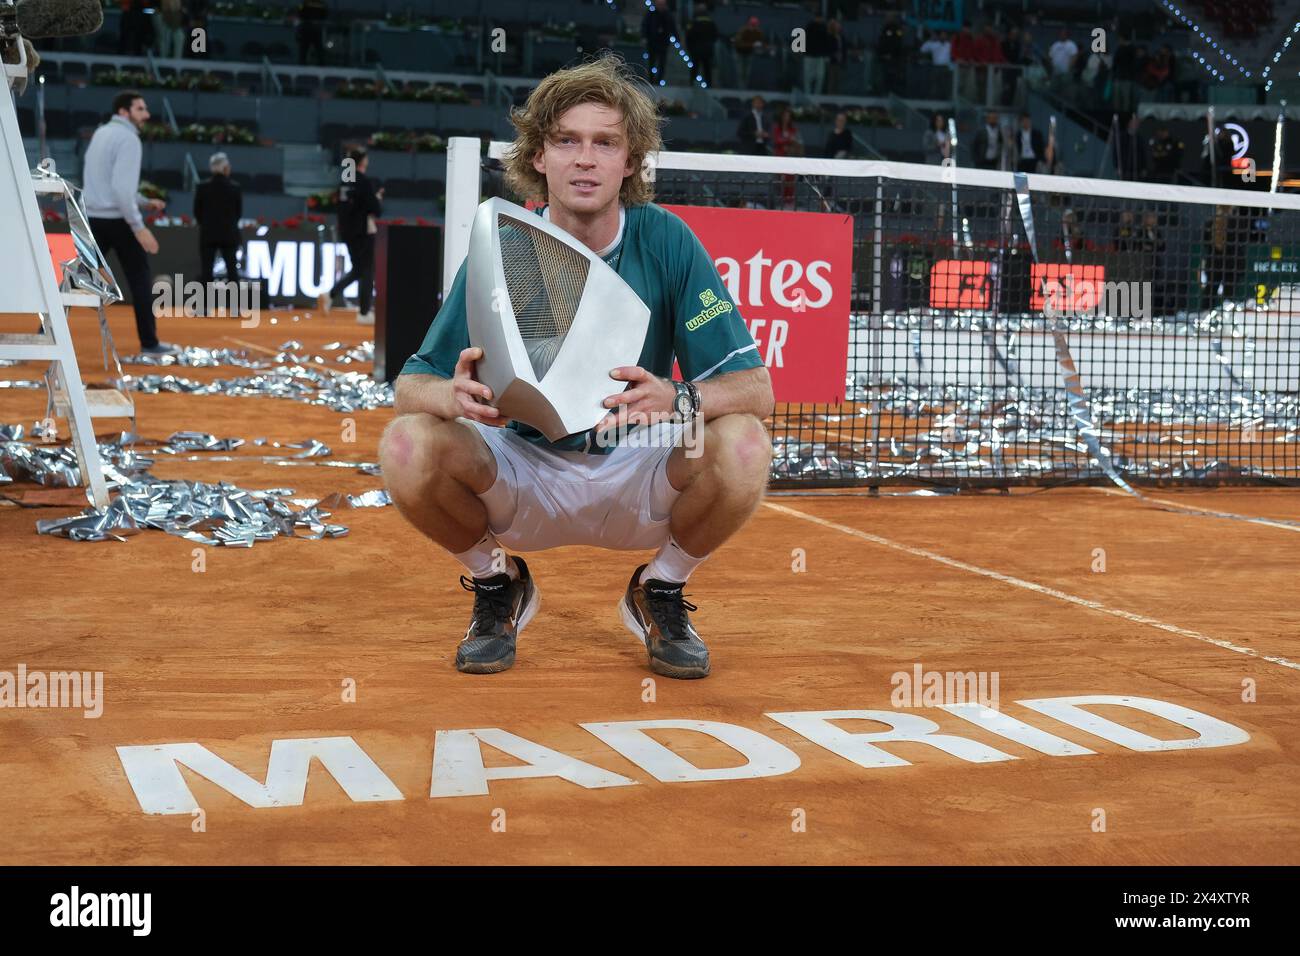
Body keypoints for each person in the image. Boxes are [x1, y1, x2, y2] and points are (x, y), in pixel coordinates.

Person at [380, 56, 773, 679]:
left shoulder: (666, 240)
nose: (584, 159)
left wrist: (678, 399)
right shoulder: (504, 244)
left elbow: (757, 390)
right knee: (406, 445)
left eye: (604, 143)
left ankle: (661, 589)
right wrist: (452, 397)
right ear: (538, 157)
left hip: (642, 469)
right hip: (522, 471)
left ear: (630, 161)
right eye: (566, 141)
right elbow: (409, 387)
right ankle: (497, 581)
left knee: (745, 444)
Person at [83, 91, 174, 354]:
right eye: (140, 109)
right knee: (140, 280)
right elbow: (121, 190)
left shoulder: (101, 133)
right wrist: (138, 225)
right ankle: (150, 343)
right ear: (124, 112)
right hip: (119, 222)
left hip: (93, 219)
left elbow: (109, 184)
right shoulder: (129, 139)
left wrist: (144, 202)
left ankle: (45, 334)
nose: (146, 114)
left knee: (74, 280)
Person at [318, 147, 383, 324]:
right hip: (362, 231)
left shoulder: (344, 180)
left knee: (358, 269)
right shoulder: (362, 181)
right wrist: (376, 198)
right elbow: (375, 209)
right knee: (366, 271)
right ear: (362, 161)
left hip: (347, 231)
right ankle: (363, 313)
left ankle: (330, 294)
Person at [193, 152, 242, 292]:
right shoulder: (235, 188)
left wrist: (207, 224)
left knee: (206, 271)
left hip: (208, 234)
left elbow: (197, 212)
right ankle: (235, 308)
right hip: (229, 235)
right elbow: (239, 213)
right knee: (232, 271)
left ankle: (203, 307)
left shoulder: (202, 187)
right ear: (226, 168)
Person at [642, 1, 677, 85]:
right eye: (659, 4)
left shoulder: (668, 15)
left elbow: (673, 27)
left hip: (663, 43)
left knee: (662, 63)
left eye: (662, 4)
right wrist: (644, 36)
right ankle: (651, 80)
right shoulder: (651, 14)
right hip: (652, 42)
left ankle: (659, 80)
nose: (660, 6)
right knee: (652, 62)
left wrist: (677, 38)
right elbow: (645, 25)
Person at [685, 3, 718, 87]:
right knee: (707, 69)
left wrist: (689, 47)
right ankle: (709, 85)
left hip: (696, 49)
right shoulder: (711, 22)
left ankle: (692, 84)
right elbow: (715, 35)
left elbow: (688, 35)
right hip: (707, 49)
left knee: (694, 68)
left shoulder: (693, 22)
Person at [873, 12, 905, 96]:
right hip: (883, 57)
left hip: (893, 58)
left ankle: (891, 93)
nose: (887, 18)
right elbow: (882, 42)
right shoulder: (885, 28)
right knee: (883, 76)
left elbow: (896, 42)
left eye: (889, 17)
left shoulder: (896, 28)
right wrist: (881, 54)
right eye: (887, 17)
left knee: (892, 76)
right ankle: (883, 92)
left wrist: (890, 54)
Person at [803, 12, 832, 97]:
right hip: (812, 55)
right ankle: (810, 95)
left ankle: (815, 95)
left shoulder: (822, 27)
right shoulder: (810, 27)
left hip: (816, 56)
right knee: (812, 77)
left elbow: (827, 42)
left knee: (818, 77)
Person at [295, 0, 329, 67]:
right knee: (318, 48)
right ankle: (321, 64)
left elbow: (299, 12)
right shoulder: (321, 4)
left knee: (304, 48)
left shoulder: (305, 3)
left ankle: (302, 64)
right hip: (316, 28)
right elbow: (325, 14)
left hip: (307, 27)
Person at [732, 15, 763, 88]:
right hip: (739, 53)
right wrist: (753, 45)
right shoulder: (742, 31)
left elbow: (760, 42)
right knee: (740, 72)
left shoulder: (758, 32)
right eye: (752, 25)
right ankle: (740, 88)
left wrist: (762, 46)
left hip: (749, 53)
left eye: (755, 25)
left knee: (747, 73)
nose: (753, 26)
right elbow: (738, 43)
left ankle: (744, 87)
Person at [826, 18, 846, 95]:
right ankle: (829, 97)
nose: (838, 27)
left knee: (838, 81)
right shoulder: (829, 36)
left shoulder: (842, 37)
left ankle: (837, 97)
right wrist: (834, 54)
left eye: (839, 25)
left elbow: (844, 49)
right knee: (831, 80)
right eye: (836, 25)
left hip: (840, 61)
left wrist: (843, 59)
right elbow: (828, 49)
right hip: (832, 61)